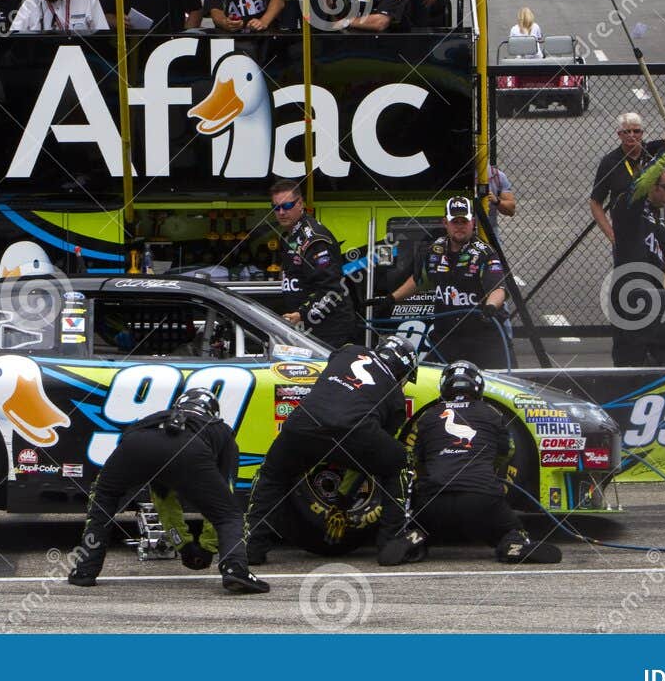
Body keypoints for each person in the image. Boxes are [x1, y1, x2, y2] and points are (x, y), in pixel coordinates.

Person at [67, 386, 267, 593]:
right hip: (189, 450)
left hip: (135, 444)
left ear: (178, 406)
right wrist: (207, 547)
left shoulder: (155, 417)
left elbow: (163, 500)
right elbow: (224, 497)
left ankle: (85, 570)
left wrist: (183, 544)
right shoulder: (220, 428)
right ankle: (235, 568)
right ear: (212, 412)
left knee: (103, 499)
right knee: (229, 514)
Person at [244, 336, 418, 565]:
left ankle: (251, 548)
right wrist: (343, 499)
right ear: (401, 367)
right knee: (399, 462)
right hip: (353, 433)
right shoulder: (396, 399)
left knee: (272, 474)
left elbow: (333, 364)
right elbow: (369, 461)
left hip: (303, 424)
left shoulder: (348, 349)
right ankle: (391, 544)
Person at [378, 361, 561, 566]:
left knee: (422, 526)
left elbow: (415, 459)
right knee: (511, 529)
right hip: (481, 498)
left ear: (444, 387)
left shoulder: (428, 417)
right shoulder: (491, 413)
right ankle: (512, 545)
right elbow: (507, 450)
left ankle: (414, 539)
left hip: (434, 500)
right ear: (478, 387)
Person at [589, 113, 665, 366]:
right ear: (618, 135)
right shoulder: (613, 165)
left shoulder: (650, 160)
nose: (631, 136)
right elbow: (602, 198)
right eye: (626, 132)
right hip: (627, 230)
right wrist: (610, 233)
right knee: (632, 331)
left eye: (636, 131)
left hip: (648, 245)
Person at [380, 197, 508, 368]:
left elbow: (498, 289)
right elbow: (420, 281)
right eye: (455, 221)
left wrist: (491, 307)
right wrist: (390, 299)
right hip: (445, 338)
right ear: (445, 223)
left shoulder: (485, 253)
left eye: (464, 221)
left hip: (482, 339)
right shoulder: (434, 250)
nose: (460, 226)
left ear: (473, 223)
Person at [268, 178, 356, 347]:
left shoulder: (314, 239)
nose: (281, 212)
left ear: (300, 204)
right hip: (307, 325)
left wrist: (302, 314)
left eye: (287, 206)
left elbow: (332, 289)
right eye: (276, 207)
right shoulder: (289, 236)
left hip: (328, 327)